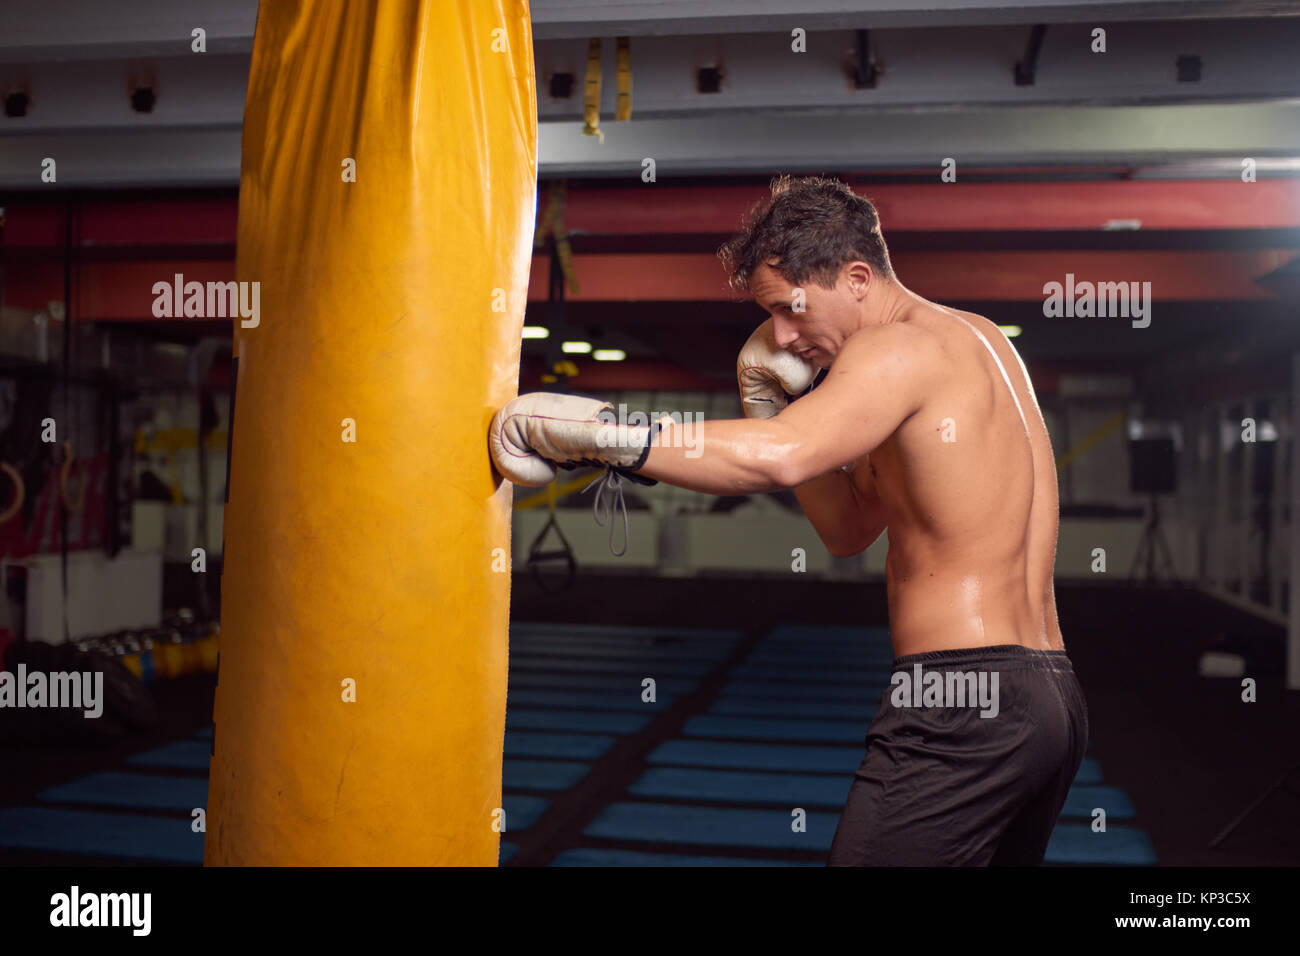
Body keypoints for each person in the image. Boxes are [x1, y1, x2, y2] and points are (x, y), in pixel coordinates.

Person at [489, 175, 1089, 866]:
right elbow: (849, 528)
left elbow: (780, 460)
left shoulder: (891, 351)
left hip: (961, 704)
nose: (781, 335)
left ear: (858, 277)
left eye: (790, 310)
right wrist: (764, 400)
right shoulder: (977, 343)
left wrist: (607, 433)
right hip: (1047, 700)